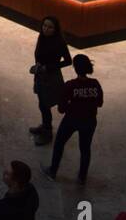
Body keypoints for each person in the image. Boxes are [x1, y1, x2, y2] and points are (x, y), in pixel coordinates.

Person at [42, 54, 104, 184]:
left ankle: (53, 171)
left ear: (75, 68)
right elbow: (100, 103)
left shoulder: (70, 85)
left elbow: (61, 109)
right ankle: (82, 177)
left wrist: (72, 105)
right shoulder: (95, 84)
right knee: (85, 149)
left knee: (59, 143)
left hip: (71, 120)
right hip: (90, 121)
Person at [28, 15, 72, 145]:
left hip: (51, 77)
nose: (46, 29)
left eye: (50, 27)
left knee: (45, 105)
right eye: (45, 26)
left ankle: (47, 132)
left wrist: (48, 67)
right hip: (40, 75)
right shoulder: (41, 38)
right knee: (42, 103)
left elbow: (68, 61)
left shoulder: (59, 42)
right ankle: (45, 125)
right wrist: (38, 67)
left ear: (55, 29)